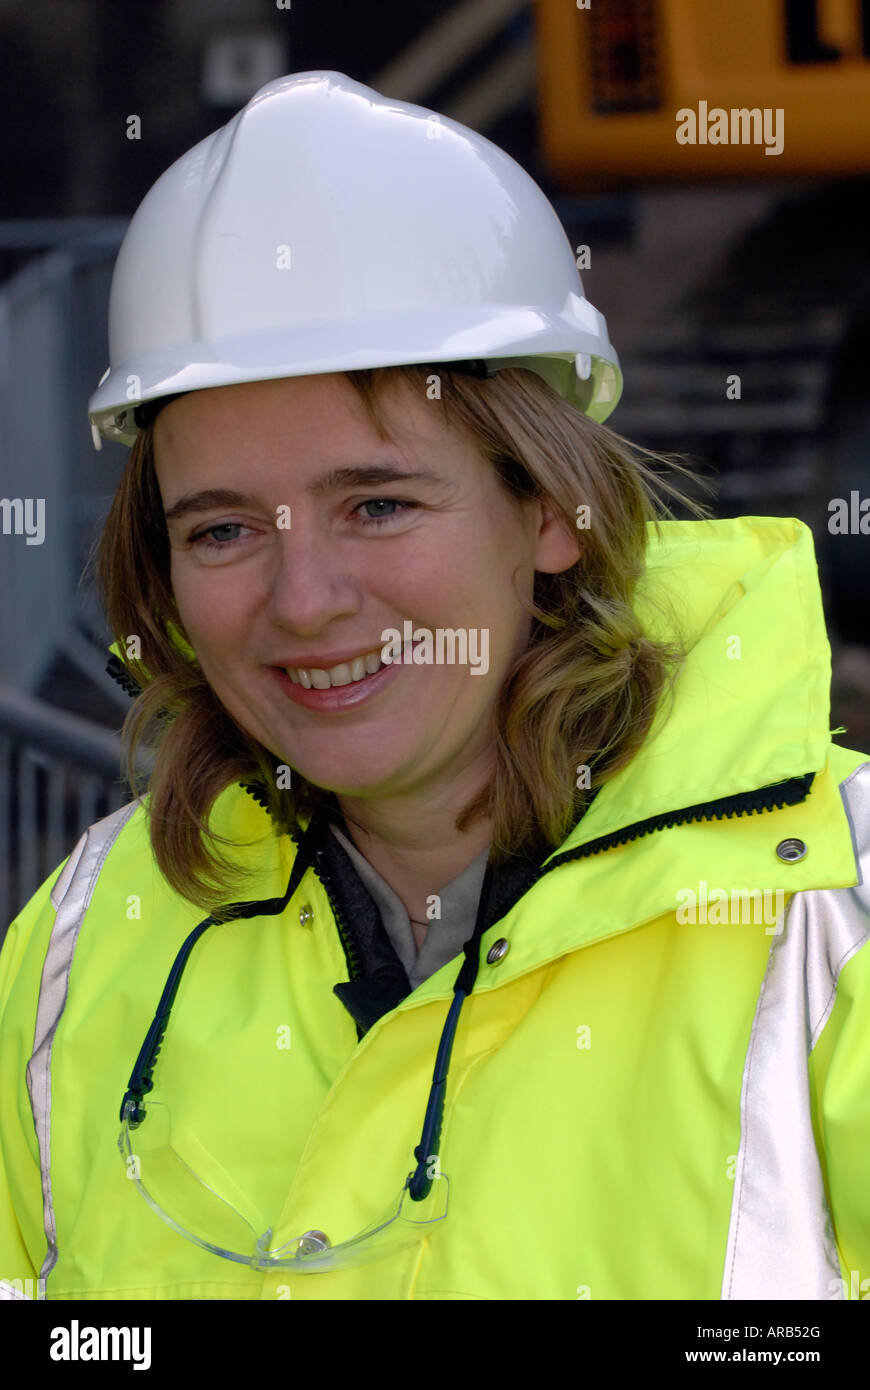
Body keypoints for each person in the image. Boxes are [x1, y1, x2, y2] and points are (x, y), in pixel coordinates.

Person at [1, 70, 868, 1304]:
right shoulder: (84, 943)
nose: (304, 600)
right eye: (223, 529)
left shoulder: (835, 917)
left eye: (380, 504)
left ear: (550, 512)